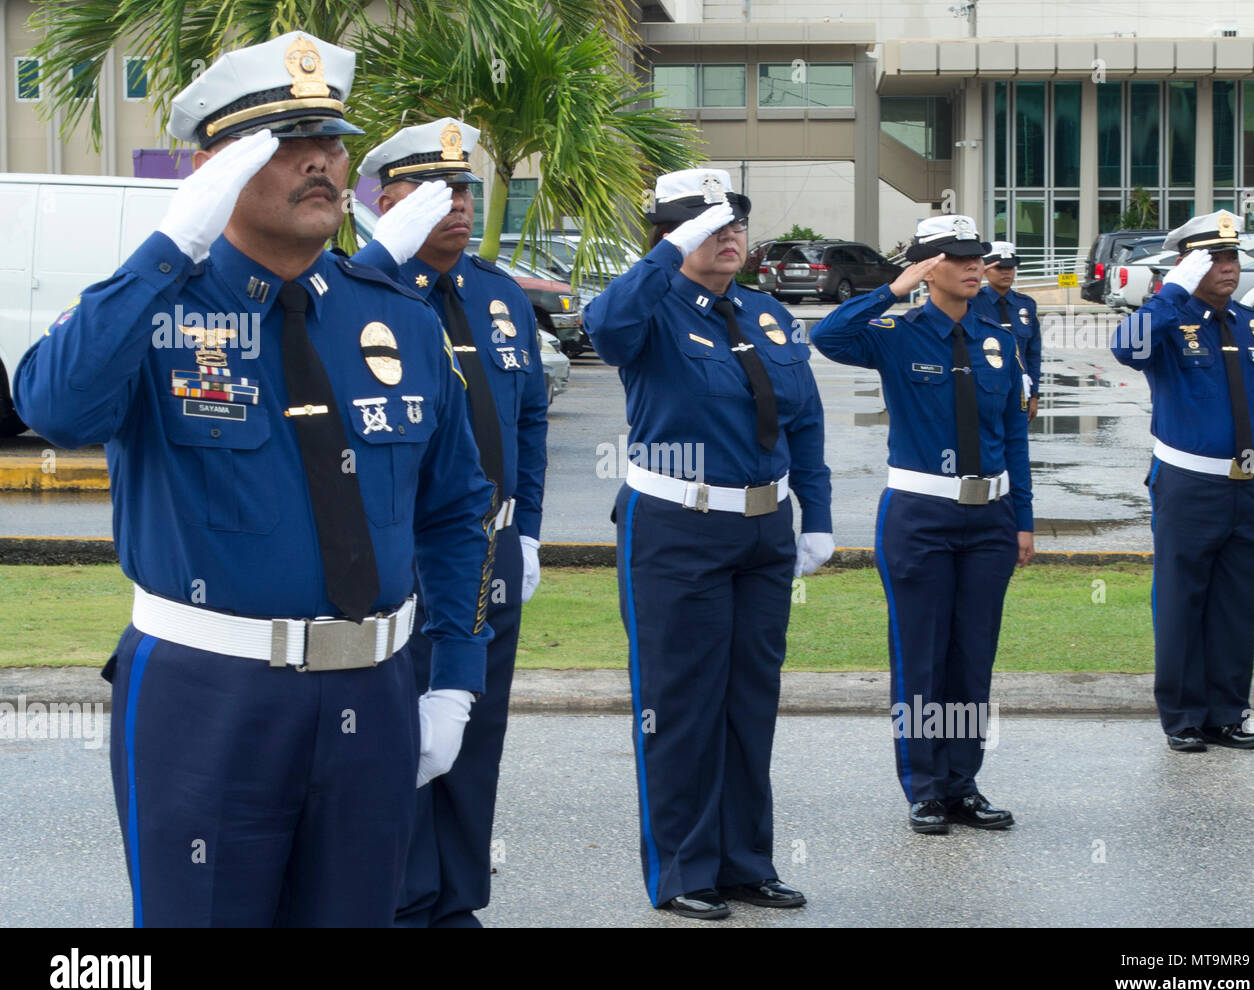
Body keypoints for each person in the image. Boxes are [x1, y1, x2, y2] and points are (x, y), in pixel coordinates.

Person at [13, 32, 495, 927]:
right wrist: (168, 248)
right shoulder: (155, 306)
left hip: (375, 692)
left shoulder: (393, 317)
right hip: (208, 697)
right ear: (216, 170)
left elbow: (458, 509)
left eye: (334, 141)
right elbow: (58, 408)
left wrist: (455, 678)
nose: (322, 160)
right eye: (284, 142)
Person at [585, 168, 833, 920]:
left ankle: (743, 861)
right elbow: (602, 327)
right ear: (667, 234)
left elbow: (804, 423)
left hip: (762, 530)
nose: (727, 233)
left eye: (734, 221)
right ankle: (682, 869)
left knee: (748, 701)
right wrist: (667, 254)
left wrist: (814, 516)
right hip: (675, 528)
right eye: (703, 222)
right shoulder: (648, 310)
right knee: (679, 704)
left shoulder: (765, 313)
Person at [353, 118, 549, 927]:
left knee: (475, 728)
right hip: (402, 551)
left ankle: (457, 899)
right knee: (401, 731)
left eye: (466, 189)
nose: (460, 205)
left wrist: (528, 527)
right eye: (438, 192)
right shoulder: (364, 294)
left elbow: (531, 415)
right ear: (387, 202)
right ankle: (403, 898)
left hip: (490, 546)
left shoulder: (498, 294)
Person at [812, 215, 1033, 836]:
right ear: (928, 267)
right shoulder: (896, 332)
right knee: (921, 656)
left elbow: (1013, 433)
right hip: (920, 515)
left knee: (972, 658)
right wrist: (892, 287)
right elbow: (827, 336)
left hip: (990, 516)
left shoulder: (999, 335)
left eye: (977, 257)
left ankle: (963, 783)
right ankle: (925, 787)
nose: (974, 266)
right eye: (958, 257)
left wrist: (1023, 518)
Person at [1111, 211, 1254, 752]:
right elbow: (1127, 348)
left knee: (1237, 603)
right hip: (1188, 483)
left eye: (1233, 258)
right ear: (1189, 264)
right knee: (1181, 600)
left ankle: (1228, 713)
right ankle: (1184, 716)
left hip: (1246, 487)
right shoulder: (1165, 321)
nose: (1229, 268)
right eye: (1214, 259)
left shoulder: (1252, 323)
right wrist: (1171, 294)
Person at [971, 241, 1042, 421]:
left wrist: (1034, 395)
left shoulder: (1025, 305)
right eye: (1000, 267)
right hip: (983, 389)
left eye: (1010, 267)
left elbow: (1033, 354)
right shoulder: (972, 302)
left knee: (1015, 445)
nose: (1006, 272)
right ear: (985, 269)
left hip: (1019, 390)